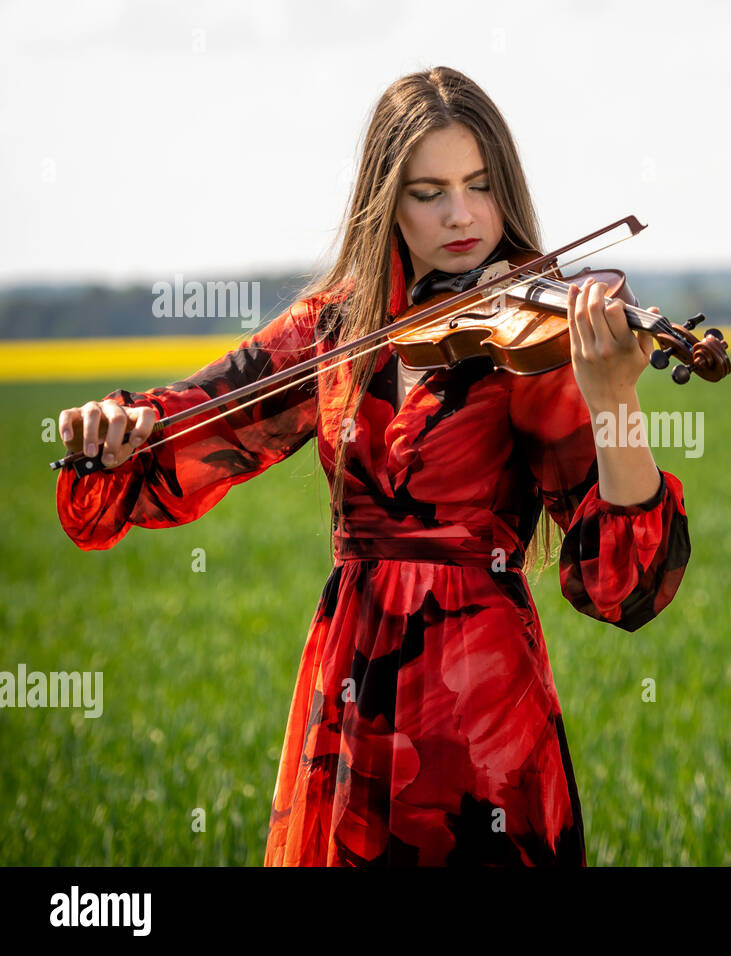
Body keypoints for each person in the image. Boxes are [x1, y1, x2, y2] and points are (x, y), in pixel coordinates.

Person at [53, 67, 691, 866]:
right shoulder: (333, 327)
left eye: (481, 184)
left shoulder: (540, 333)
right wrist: (116, 431)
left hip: (482, 706)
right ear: (386, 199)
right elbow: (198, 420)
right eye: (429, 192)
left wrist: (615, 400)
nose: (462, 215)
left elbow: (623, 586)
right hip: (350, 695)